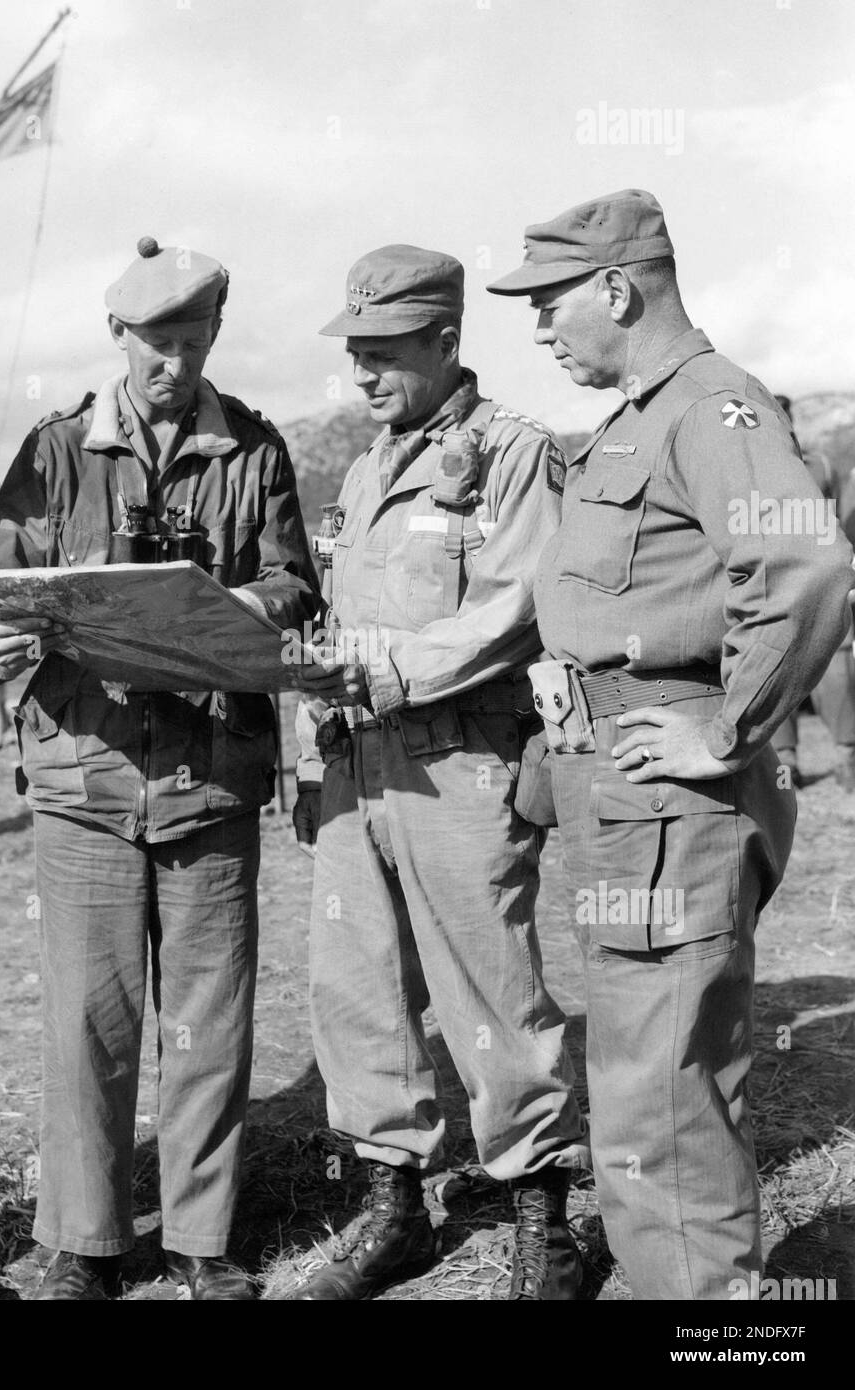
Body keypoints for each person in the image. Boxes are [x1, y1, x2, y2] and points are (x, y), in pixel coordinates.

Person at [487, 189, 854, 1299]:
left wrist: (725, 728)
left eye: (550, 304)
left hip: (668, 805)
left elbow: (801, 568)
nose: (539, 328)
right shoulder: (639, 417)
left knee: (664, 1094)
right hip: (617, 797)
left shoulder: (710, 409)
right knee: (643, 1076)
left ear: (615, 287)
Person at [0, 240, 319, 1300]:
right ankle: (82, 1240)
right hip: (85, 775)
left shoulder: (253, 448)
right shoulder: (59, 448)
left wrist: (244, 606)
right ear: (116, 338)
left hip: (211, 773)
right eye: (154, 341)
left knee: (207, 1018)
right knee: (85, 1016)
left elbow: (296, 576)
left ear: (213, 337)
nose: (173, 360)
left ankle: (204, 1239)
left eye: (191, 340)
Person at [288, 244, 589, 1302]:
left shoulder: (514, 454)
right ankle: (394, 1208)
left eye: (384, 353)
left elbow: (514, 606)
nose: (363, 374)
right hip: (352, 773)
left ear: (446, 343)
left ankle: (540, 1216)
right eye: (355, 353)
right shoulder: (368, 466)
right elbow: (340, 621)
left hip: (456, 762)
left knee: (490, 993)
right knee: (355, 991)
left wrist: (385, 674)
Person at [770, 394, 855, 790]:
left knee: (835, 669)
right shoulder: (745, 467)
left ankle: (848, 756)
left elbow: (846, 520)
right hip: (771, 586)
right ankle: (786, 763)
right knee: (775, 666)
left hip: (824, 584)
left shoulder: (819, 465)